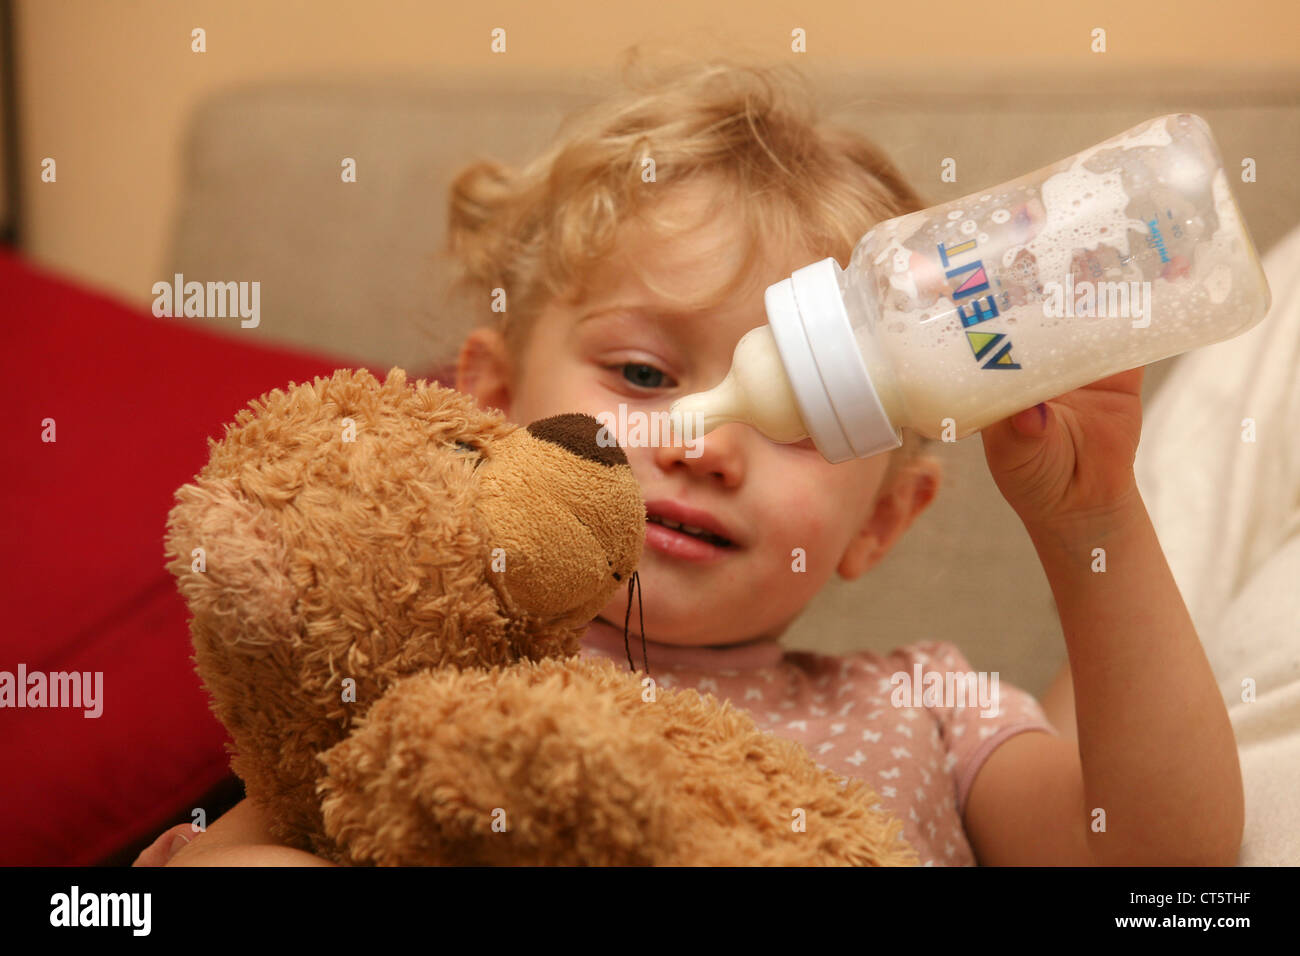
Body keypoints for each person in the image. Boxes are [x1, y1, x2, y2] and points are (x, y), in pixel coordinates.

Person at [138, 55, 1242, 867]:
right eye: (644, 375)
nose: (708, 443)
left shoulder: (931, 703)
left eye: (804, 413)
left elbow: (1163, 875)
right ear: (487, 400)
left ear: (883, 519)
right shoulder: (418, 677)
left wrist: (1091, 524)